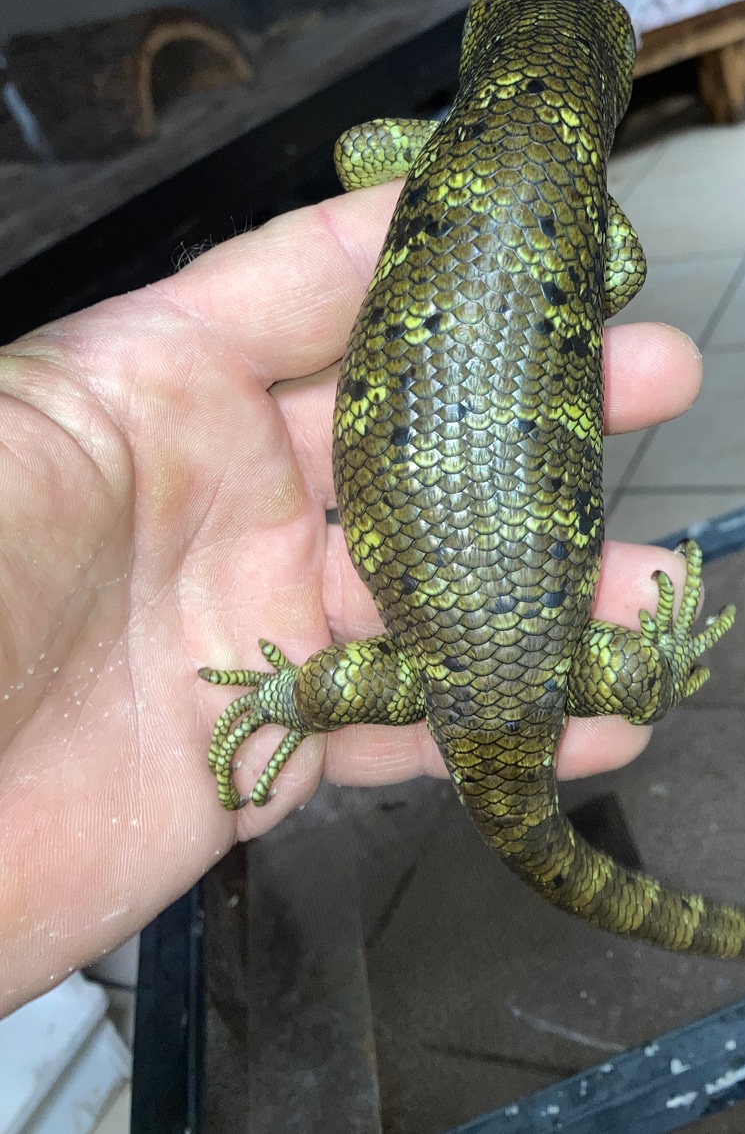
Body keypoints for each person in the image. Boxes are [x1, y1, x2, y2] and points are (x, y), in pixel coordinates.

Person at [0, 180, 704, 1016]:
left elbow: (363, 152)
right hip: (510, 668)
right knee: (628, 674)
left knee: (324, 689)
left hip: (458, 671)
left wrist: (288, 700)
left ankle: (285, 703)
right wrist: (659, 660)